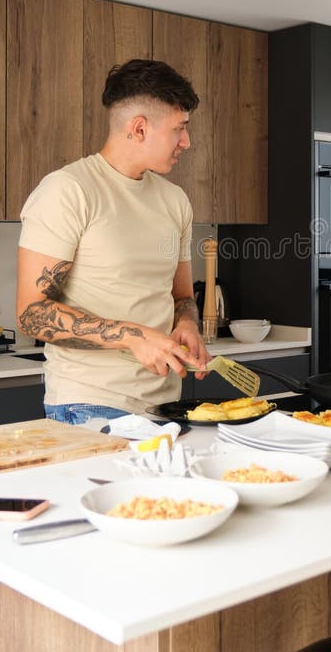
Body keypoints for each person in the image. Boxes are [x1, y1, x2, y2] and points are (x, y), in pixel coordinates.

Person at [16, 58, 211, 425]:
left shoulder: (175, 200)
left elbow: (181, 296)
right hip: (88, 404)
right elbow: (31, 313)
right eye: (179, 129)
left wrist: (187, 324)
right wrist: (132, 335)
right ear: (139, 129)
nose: (187, 141)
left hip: (166, 405)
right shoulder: (68, 191)